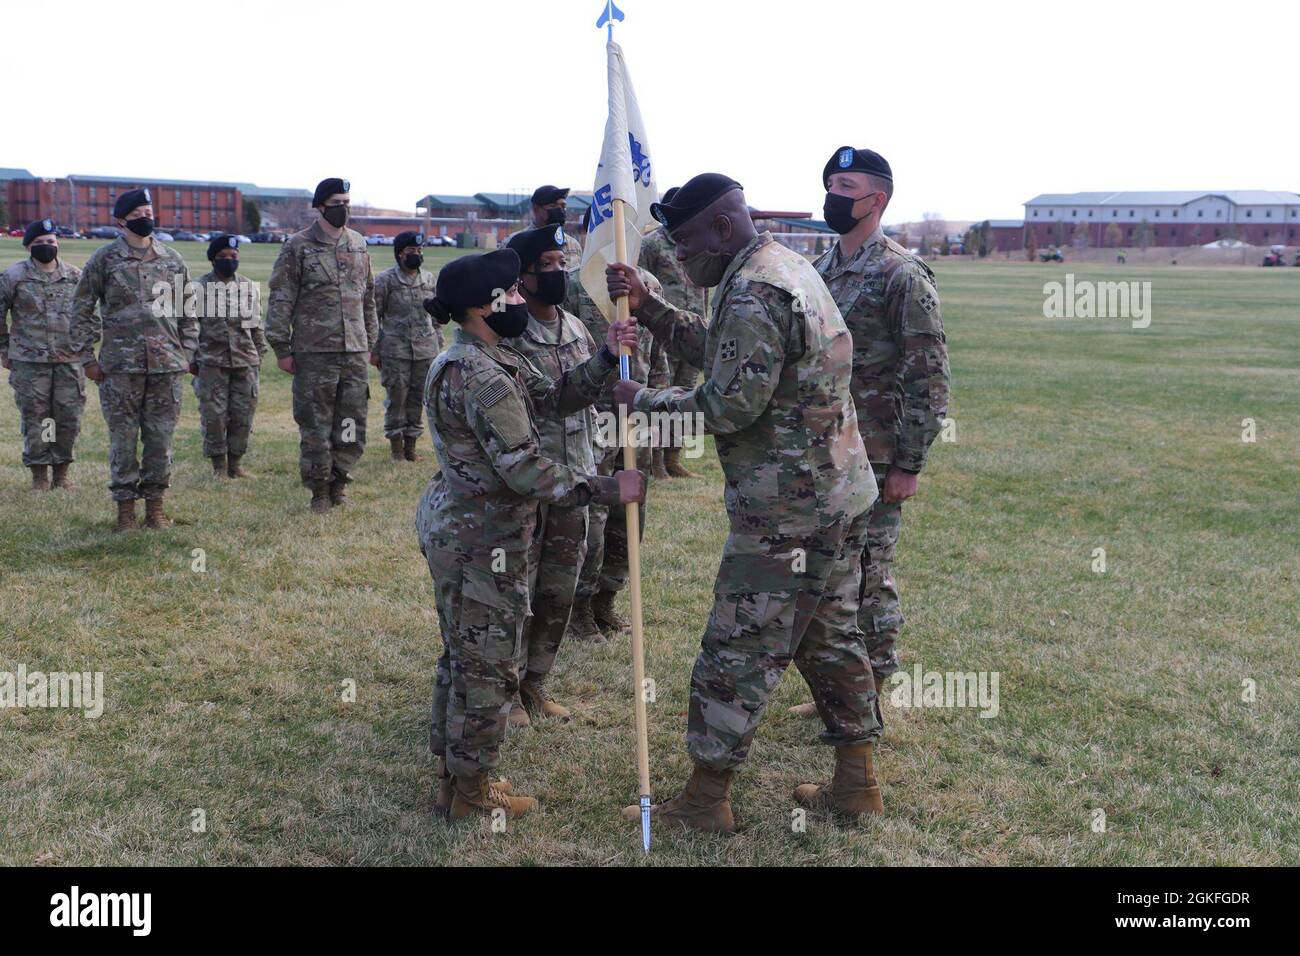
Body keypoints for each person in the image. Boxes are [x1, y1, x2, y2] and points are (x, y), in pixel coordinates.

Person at [605, 173, 882, 832]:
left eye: (685, 241)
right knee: (830, 638)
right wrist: (650, 308)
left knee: (737, 649)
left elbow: (730, 403)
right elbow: (736, 357)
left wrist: (641, 401)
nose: (678, 257)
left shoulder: (756, 290)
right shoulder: (779, 267)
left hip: (788, 513)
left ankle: (705, 801)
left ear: (722, 229)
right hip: (837, 495)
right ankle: (858, 782)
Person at [416, 248, 645, 821]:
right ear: (483, 306)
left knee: (465, 656)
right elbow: (523, 467)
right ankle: (471, 793)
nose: (521, 300)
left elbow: (550, 399)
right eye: (512, 294)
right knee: (487, 664)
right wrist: (603, 490)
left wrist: (604, 358)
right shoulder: (479, 375)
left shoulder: (492, 359)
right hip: (482, 539)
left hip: (474, 530)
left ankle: (455, 777)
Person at [786, 147, 950, 719]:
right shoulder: (822, 270)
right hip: (826, 450)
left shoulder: (901, 273)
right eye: (829, 182)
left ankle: (871, 691)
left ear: (876, 199)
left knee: (868, 573)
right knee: (830, 575)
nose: (833, 193)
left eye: (846, 185)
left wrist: (910, 464)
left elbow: (928, 375)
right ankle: (844, 691)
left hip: (878, 455)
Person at [502, 225, 598, 725]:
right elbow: (555, 396)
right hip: (534, 484)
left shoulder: (577, 328)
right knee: (521, 591)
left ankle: (537, 682)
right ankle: (508, 689)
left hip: (576, 480)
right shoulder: (510, 336)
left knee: (560, 591)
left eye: (561, 262)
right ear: (520, 276)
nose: (558, 272)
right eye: (546, 266)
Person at [70, 189, 197, 530]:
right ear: (122, 220)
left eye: (149, 210)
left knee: (160, 440)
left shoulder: (171, 259)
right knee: (124, 441)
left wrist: (187, 351)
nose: (146, 217)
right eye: (138, 212)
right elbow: (80, 309)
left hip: (166, 367)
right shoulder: (105, 259)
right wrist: (87, 357)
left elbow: (189, 310)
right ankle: (125, 511)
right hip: (120, 368)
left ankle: (155, 508)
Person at [563, 243, 670, 642]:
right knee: (593, 510)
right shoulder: (576, 284)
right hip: (591, 411)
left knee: (631, 509)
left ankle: (608, 596)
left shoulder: (648, 283)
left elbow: (657, 352)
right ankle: (579, 607)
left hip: (634, 410)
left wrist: (655, 396)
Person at [266, 178, 378, 513]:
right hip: (314, 352)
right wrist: (281, 348)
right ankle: (319, 490)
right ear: (320, 206)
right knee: (316, 424)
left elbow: (368, 297)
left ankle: (340, 482)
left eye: (347, 201)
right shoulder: (298, 246)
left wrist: (371, 341)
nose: (343, 208)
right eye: (336, 202)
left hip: (354, 351)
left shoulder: (358, 243)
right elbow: (281, 298)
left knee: (350, 423)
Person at [0, 219, 87, 491]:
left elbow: (87, 316)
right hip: (30, 362)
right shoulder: (14, 276)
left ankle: (61, 474)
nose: (46, 247)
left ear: (57, 243)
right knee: (39, 418)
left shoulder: (75, 276)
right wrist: (4, 350)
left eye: (50, 242)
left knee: (67, 418)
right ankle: (40, 475)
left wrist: (86, 351)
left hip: (68, 361)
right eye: (39, 243)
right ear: (28, 246)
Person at [639, 184, 706, 478]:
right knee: (661, 395)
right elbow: (642, 285)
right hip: (664, 331)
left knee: (686, 395)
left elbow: (704, 288)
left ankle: (673, 457)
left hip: (694, 330)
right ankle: (654, 462)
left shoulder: (698, 242)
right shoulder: (652, 244)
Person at [191, 234, 266, 479]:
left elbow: (256, 326)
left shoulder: (247, 287)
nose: (228, 261)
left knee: (243, 415)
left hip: (245, 361)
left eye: (233, 257)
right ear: (213, 259)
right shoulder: (197, 288)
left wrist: (259, 355)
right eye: (223, 257)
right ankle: (219, 467)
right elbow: (190, 327)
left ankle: (235, 464)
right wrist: (191, 358)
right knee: (214, 416)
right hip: (212, 362)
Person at [373, 230, 440, 462]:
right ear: (400, 254)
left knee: (417, 398)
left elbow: (436, 317)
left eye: (420, 251)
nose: (417, 255)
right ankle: (396, 450)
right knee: (397, 398)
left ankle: (411, 448)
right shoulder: (385, 280)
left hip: (425, 351)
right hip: (395, 351)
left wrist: (437, 344)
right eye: (412, 251)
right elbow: (374, 316)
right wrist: (375, 350)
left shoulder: (429, 280)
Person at [505, 185, 584, 271]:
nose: (560, 210)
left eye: (563, 206)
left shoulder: (573, 244)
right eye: (553, 206)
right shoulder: (515, 243)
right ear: (536, 209)